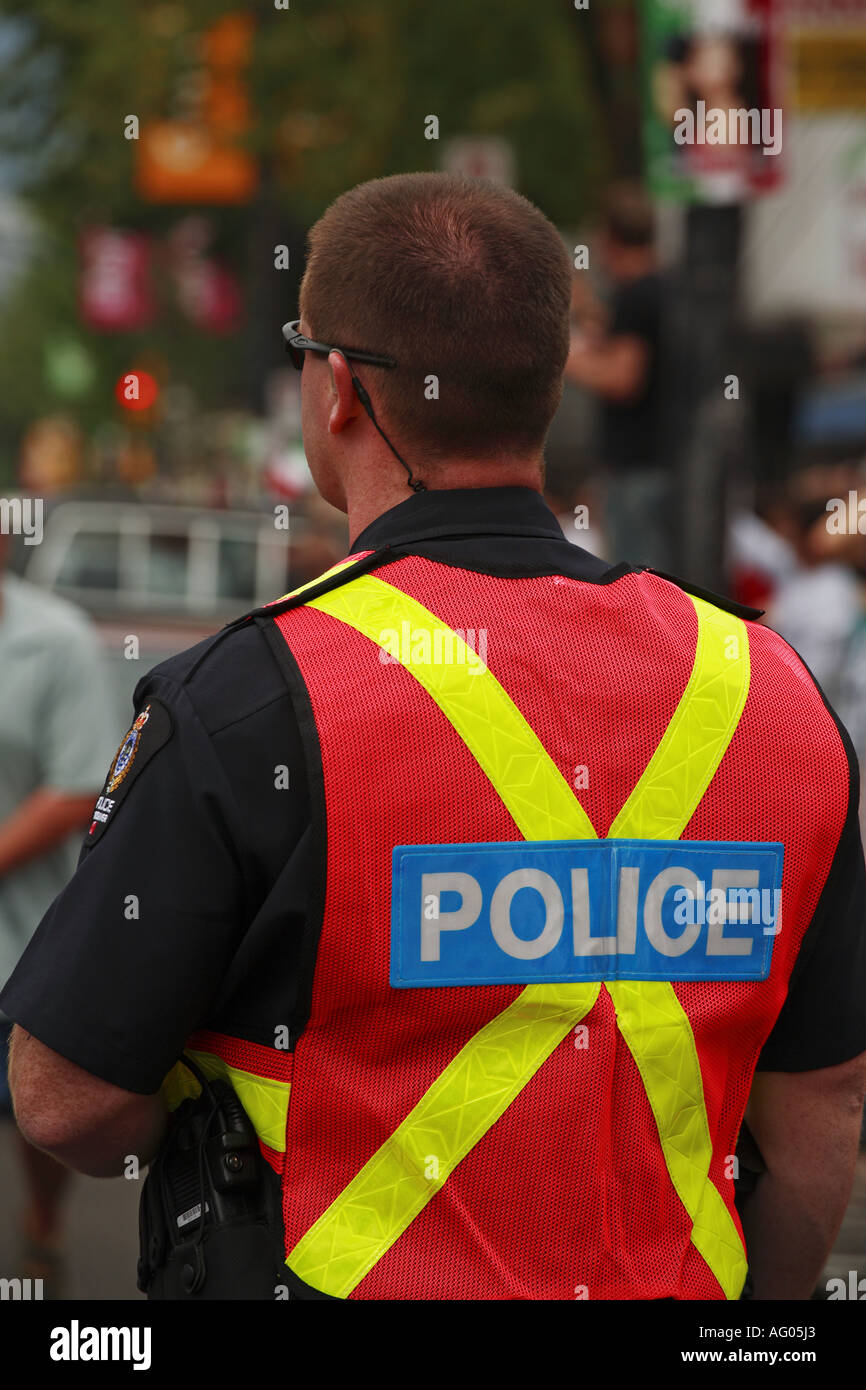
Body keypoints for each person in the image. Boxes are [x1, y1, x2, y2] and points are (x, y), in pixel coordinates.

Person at [4, 172, 866, 1301]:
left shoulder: (247, 698)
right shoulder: (764, 687)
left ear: (341, 392)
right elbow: (821, 1095)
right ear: (550, 389)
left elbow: (66, 1102)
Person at [0, 534, 116, 1296]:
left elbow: (80, 788)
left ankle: (44, 1222)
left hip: (23, 946)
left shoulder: (56, 641)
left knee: (34, 1117)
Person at [564, 183, 674, 571]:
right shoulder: (661, 288)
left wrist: (563, 361)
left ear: (610, 238)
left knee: (639, 575)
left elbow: (623, 378)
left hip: (636, 467)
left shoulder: (636, 295)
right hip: (658, 461)